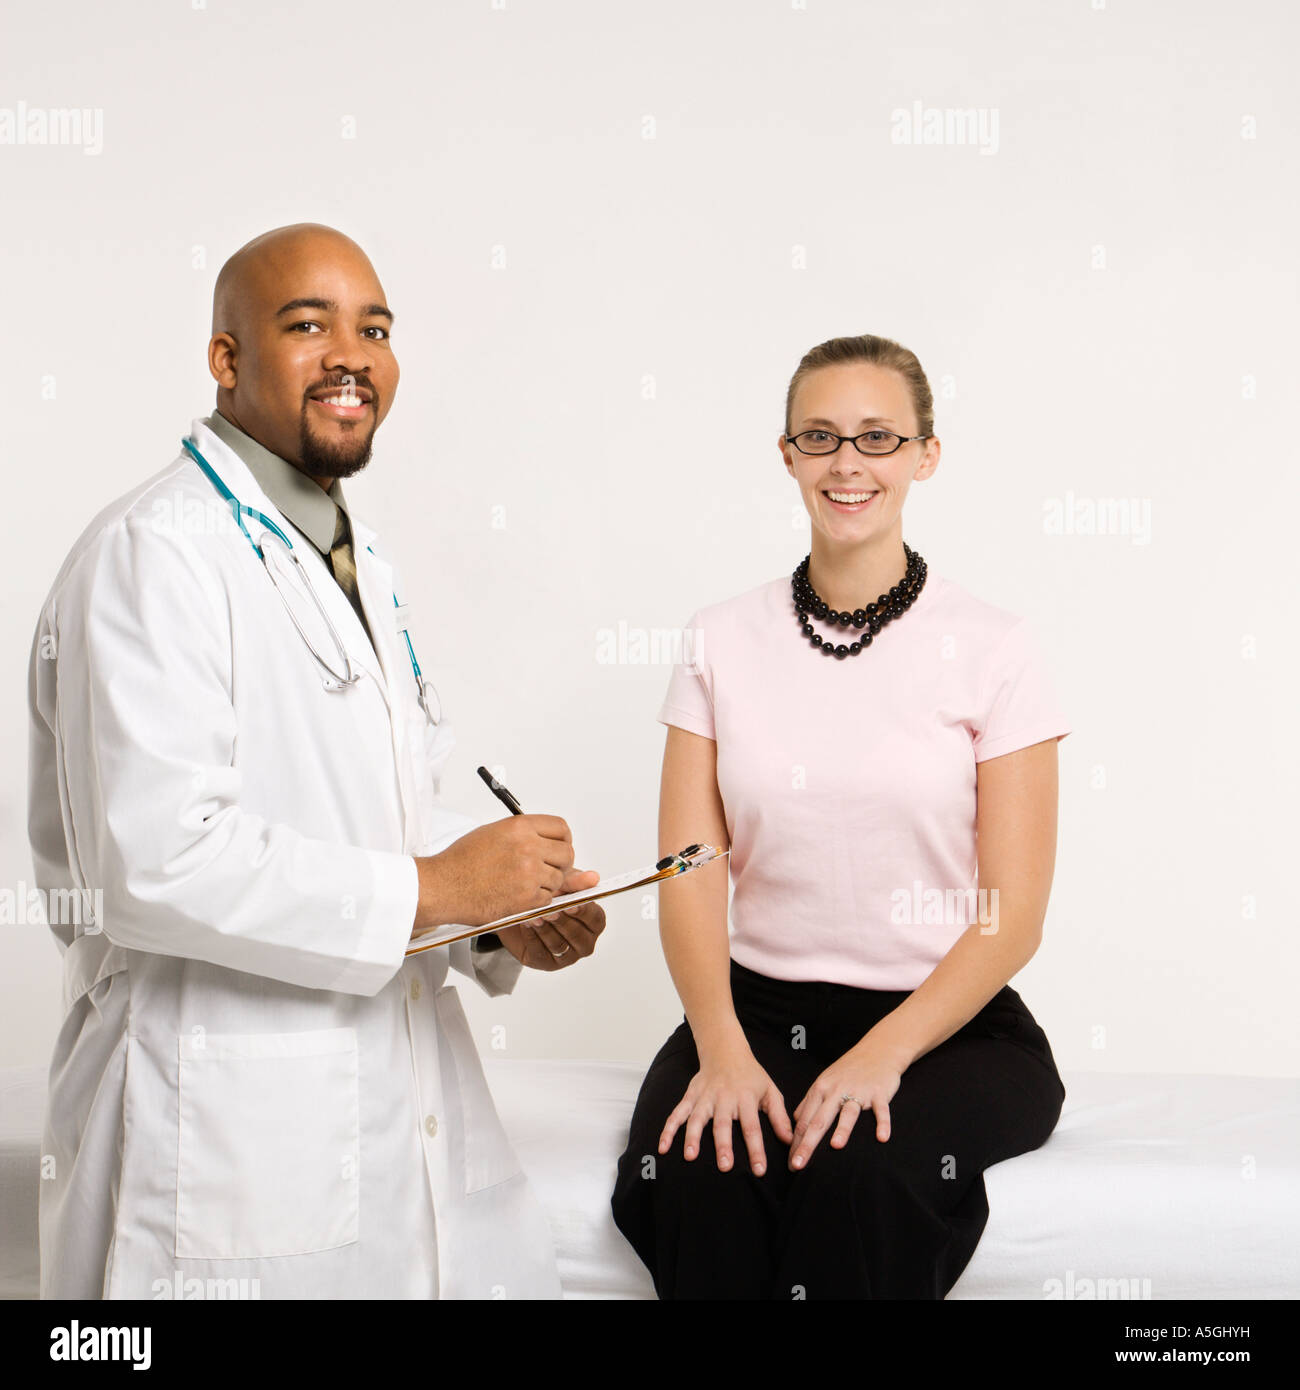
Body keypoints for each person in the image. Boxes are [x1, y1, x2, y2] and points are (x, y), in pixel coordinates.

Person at [28, 222, 605, 1300]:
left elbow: (371, 821)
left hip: (372, 1115)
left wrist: (491, 915)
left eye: (374, 328)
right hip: (217, 1127)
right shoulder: (156, 553)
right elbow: (154, 862)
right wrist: (435, 888)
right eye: (308, 325)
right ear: (226, 358)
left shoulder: (354, 559)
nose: (353, 354)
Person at [611, 333, 1070, 1300]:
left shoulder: (996, 647)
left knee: (858, 1172)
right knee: (701, 1171)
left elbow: (1012, 914)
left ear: (924, 455)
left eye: (877, 438)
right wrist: (724, 1049)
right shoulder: (718, 638)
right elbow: (690, 870)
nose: (847, 463)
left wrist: (881, 1057)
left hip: (948, 1028)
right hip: (756, 1009)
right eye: (819, 437)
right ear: (786, 456)